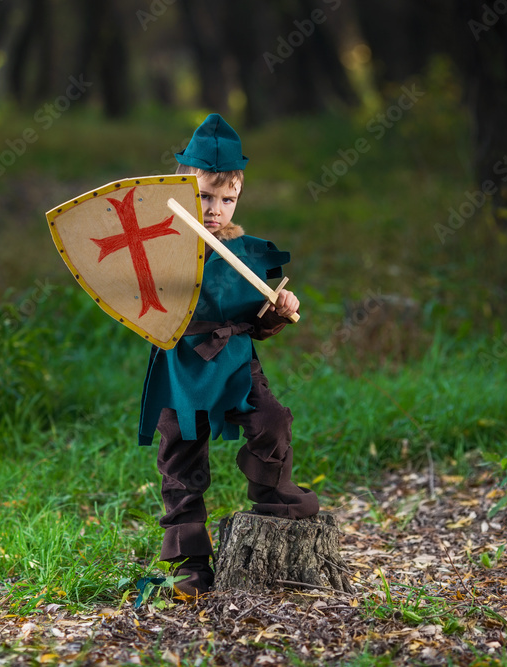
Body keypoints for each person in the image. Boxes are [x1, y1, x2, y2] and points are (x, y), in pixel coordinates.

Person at [138, 113, 319, 596]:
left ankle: (272, 497)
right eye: (204, 196)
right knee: (181, 454)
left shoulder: (247, 252)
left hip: (237, 361)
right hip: (183, 366)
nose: (215, 209)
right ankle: (190, 564)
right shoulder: (159, 248)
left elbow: (258, 326)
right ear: (181, 187)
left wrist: (279, 309)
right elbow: (143, 308)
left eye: (227, 198)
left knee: (272, 421)